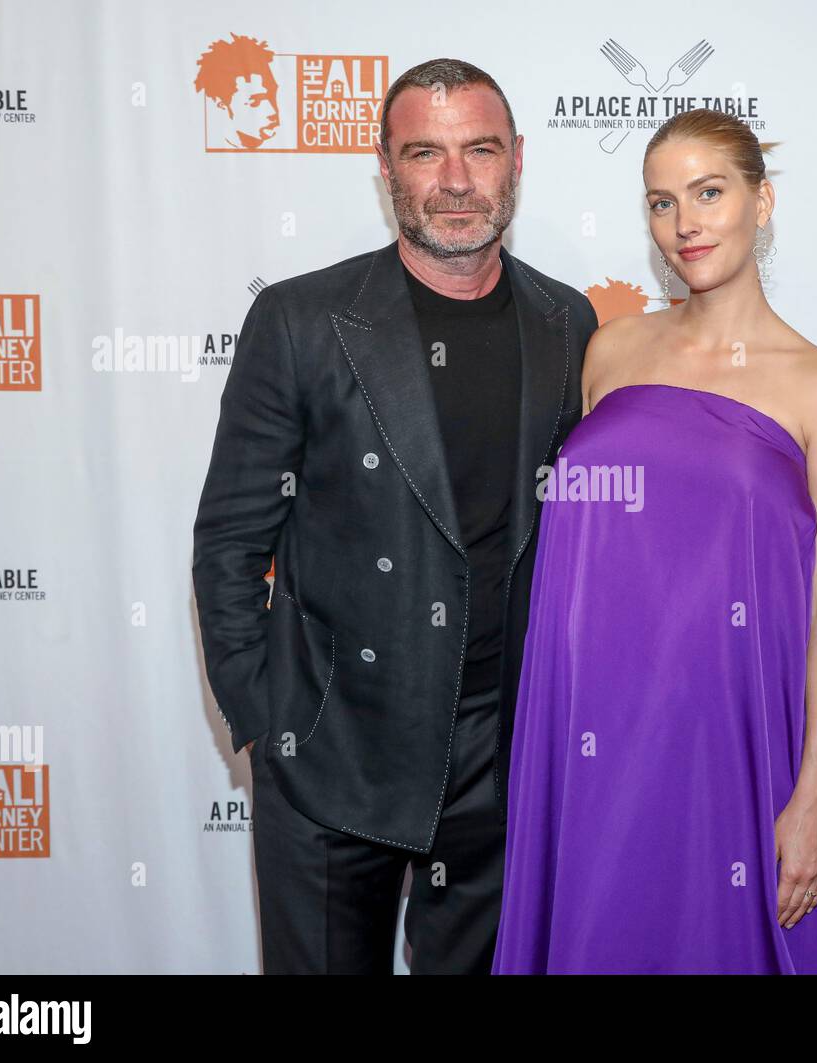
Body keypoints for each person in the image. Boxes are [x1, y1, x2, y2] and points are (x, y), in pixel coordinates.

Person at [191, 58, 595, 974]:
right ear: (386, 170)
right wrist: (266, 717)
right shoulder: (302, 320)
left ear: (517, 161)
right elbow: (229, 539)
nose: (455, 181)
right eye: (425, 153)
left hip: (502, 758)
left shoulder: (568, 324)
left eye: (479, 150)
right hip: (333, 744)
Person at [492, 108, 817, 974]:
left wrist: (815, 791)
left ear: (762, 201)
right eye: (662, 203)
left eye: (709, 193)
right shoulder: (610, 351)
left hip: (731, 736)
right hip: (591, 730)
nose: (686, 224)